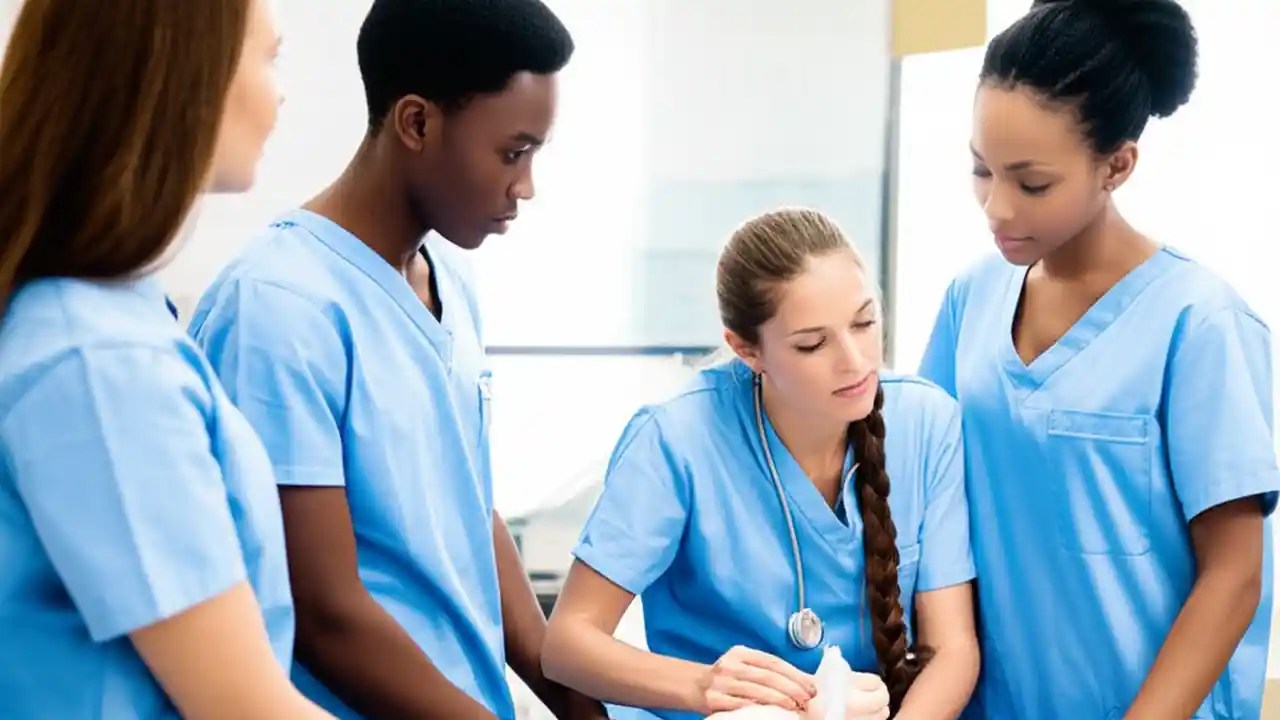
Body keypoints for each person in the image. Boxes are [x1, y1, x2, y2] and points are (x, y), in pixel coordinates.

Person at [188, 1, 599, 718]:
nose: (525, 185)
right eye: (512, 152)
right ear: (416, 123)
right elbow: (325, 617)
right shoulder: (279, 306)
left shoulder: (449, 273)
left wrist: (575, 701)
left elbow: (469, 507)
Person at [918, 1, 1280, 717]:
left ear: (1117, 164)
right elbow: (926, 500)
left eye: (1032, 183)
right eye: (980, 170)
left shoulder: (1199, 323)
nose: (996, 208)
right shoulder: (972, 298)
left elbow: (1234, 576)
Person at [0, 0, 330, 718]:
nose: (281, 91)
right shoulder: (98, 359)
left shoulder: (117, 321)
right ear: (186, 72)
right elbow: (242, 705)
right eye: (269, 58)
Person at [541, 208, 980, 720]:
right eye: (812, 343)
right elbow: (567, 644)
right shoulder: (676, 439)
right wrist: (703, 685)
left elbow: (952, 650)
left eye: (864, 322)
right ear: (747, 350)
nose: (856, 362)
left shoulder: (927, 423)